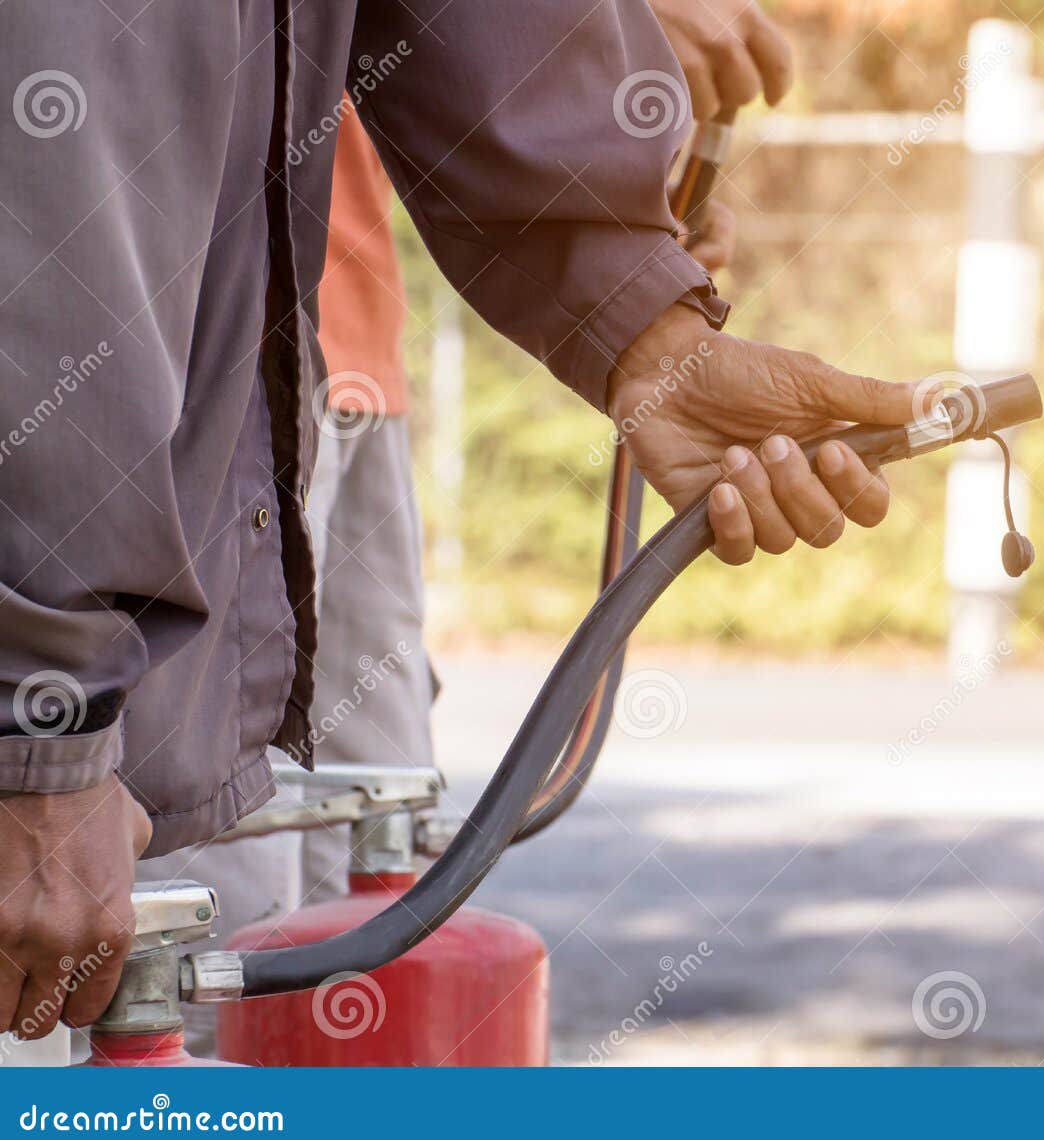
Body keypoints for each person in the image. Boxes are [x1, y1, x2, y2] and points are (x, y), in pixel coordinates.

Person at [0, 0, 910, 1044]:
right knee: (166, 984)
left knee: (314, 980)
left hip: (285, 363)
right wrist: (34, 715)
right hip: (130, 423)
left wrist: (630, 306)